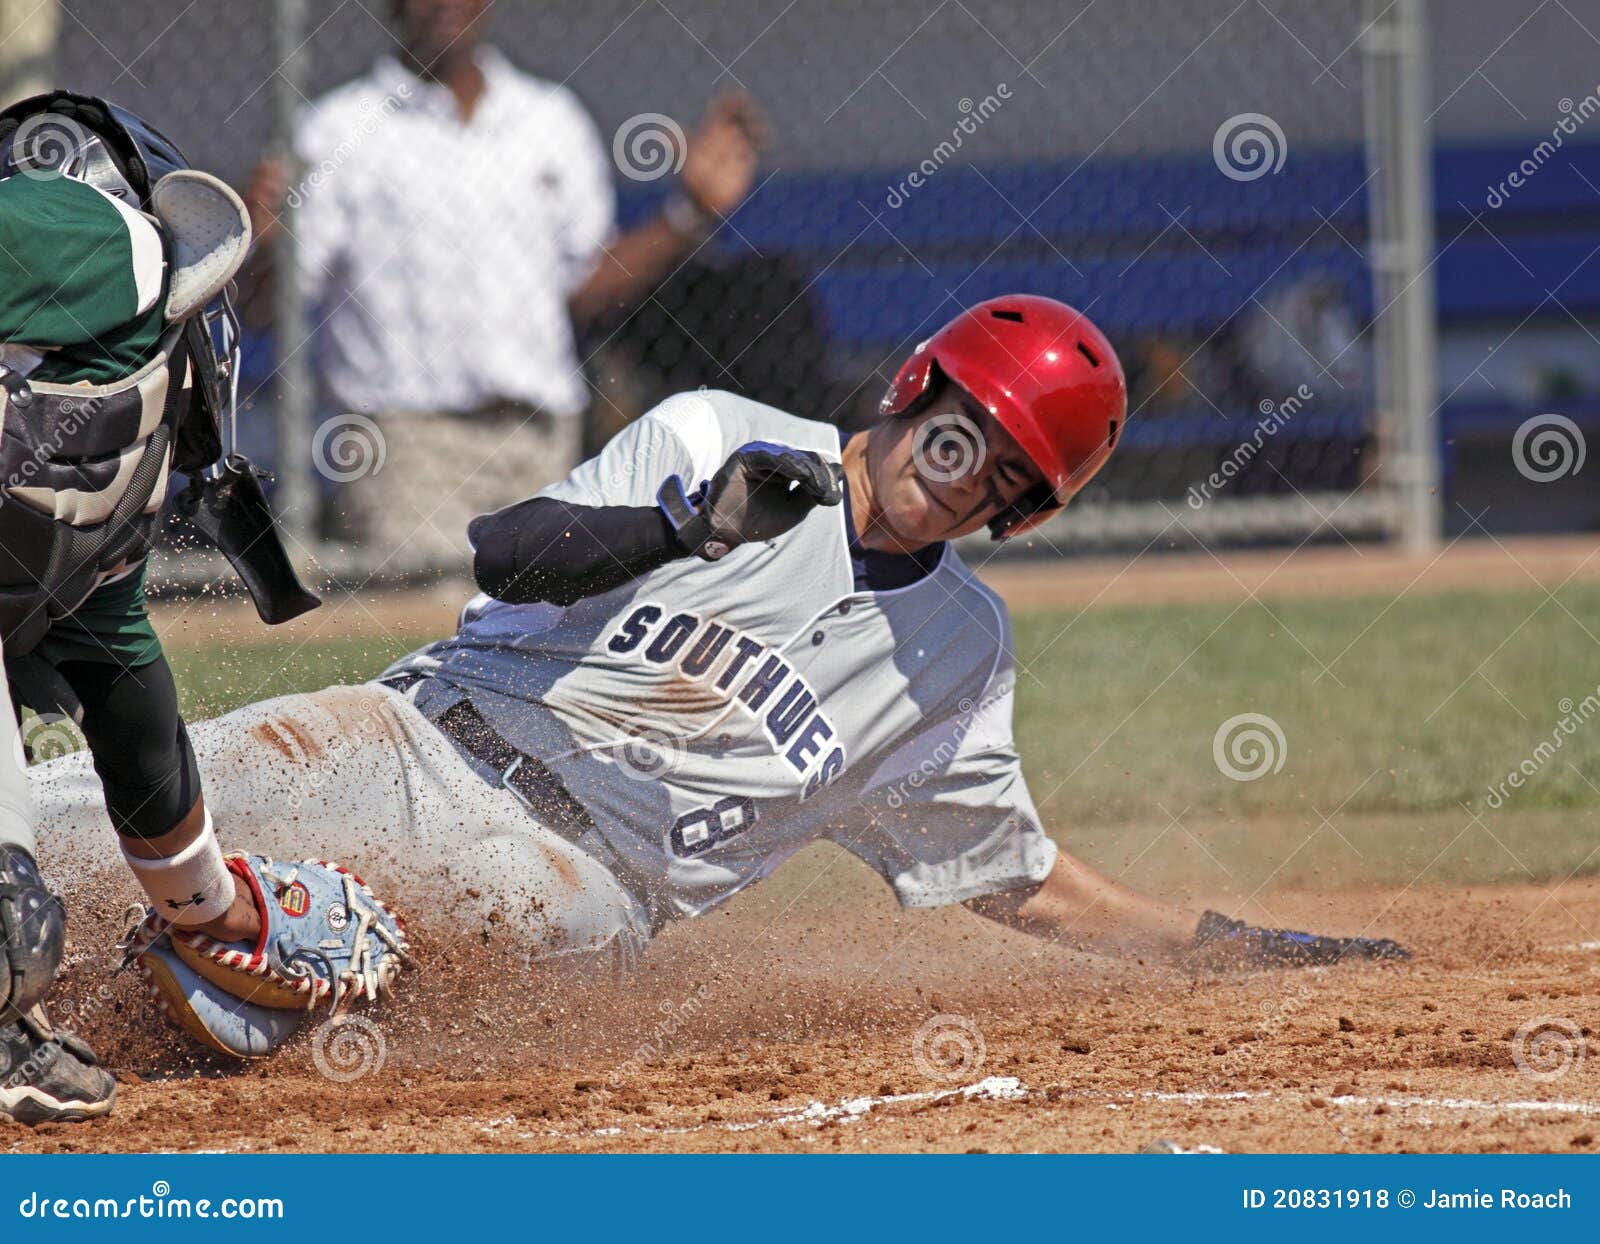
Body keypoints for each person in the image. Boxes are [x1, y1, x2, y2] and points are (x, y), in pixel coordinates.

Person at [31, 296, 1405, 1060]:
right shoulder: (718, 435)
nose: (956, 475)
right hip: (414, 733)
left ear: (1020, 512)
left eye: (998, 473)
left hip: (577, 889)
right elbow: (508, 556)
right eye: (958, 431)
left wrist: (1217, 943)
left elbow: (1015, 875)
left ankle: (149, 1021)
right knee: (74, 825)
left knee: (238, 991)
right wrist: (689, 527)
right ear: (912, 388)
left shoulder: (956, 658)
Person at [0, 92, 405, 1119]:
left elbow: (125, 685)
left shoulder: (76, 482)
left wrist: (206, 905)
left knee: (14, 934)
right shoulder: (106, 243)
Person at [241, 0, 767, 567]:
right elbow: (267, 306)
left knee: (540, 633)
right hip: (408, 451)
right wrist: (259, 246)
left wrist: (687, 215)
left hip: (541, 442)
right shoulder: (335, 131)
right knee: (429, 640)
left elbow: (586, 290)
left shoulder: (550, 118)